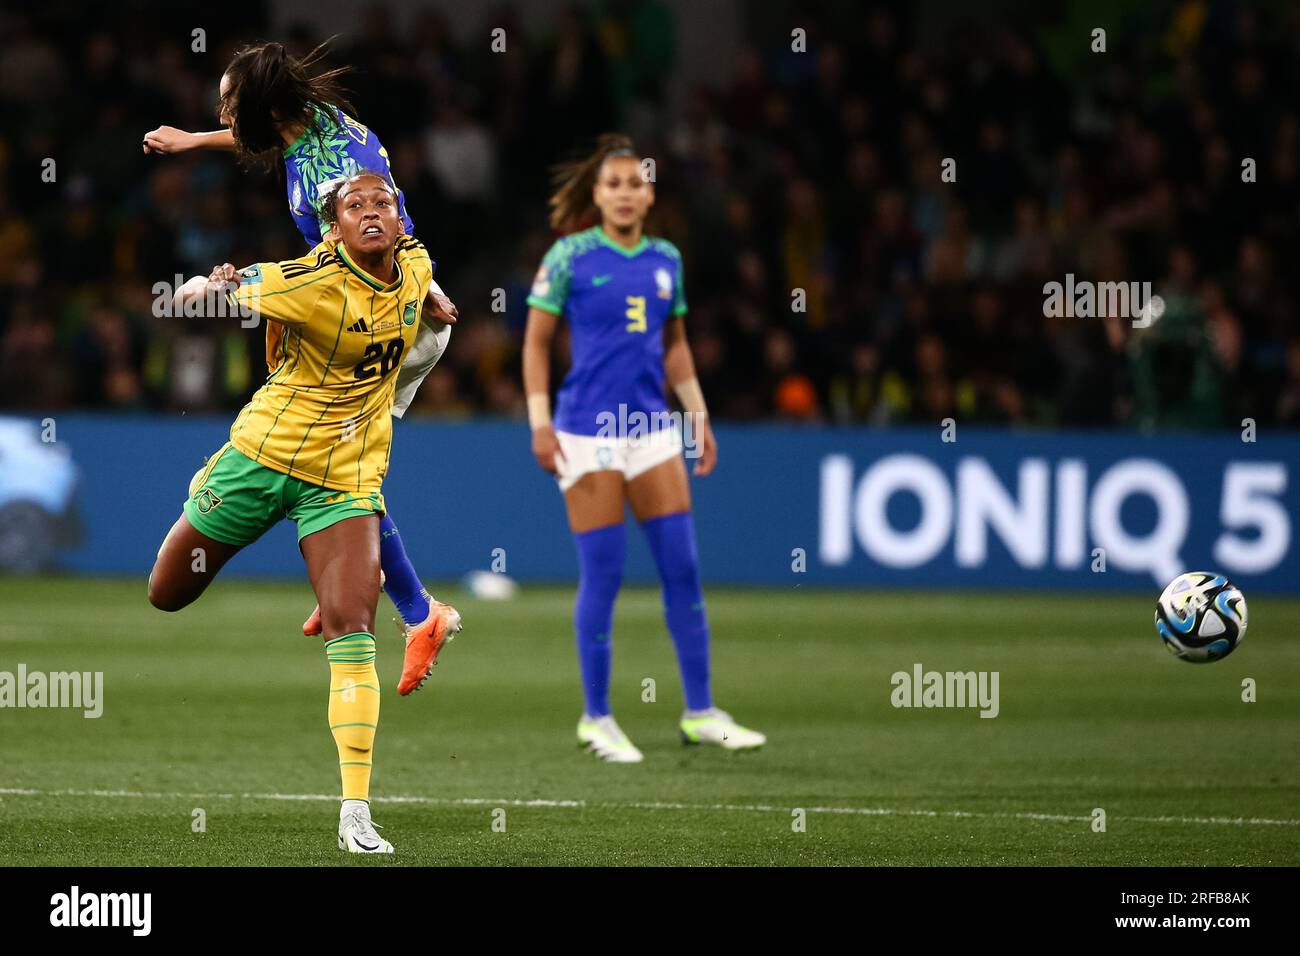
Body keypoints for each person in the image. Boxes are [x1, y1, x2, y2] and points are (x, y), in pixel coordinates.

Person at [143, 40, 459, 691]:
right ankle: (343, 561)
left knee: (325, 462)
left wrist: (422, 287)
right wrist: (197, 140)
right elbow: (271, 146)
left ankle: (420, 611)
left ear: (264, 106)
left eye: (230, 104)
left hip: (392, 322)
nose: (223, 113)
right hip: (378, 309)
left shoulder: (331, 178)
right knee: (321, 457)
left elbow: (377, 236)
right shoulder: (314, 126)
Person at [148, 172, 439, 853]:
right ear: (332, 228)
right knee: (166, 593)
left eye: (382, 204)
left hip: (342, 481)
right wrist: (206, 285)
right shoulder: (304, 280)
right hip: (259, 460)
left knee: (352, 631)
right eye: (353, 207)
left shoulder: (418, 267)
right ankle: (242, 512)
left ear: (400, 219)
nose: (371, 212)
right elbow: (195, 301)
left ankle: (356, 813)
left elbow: (425, 296)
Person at [521, 135, 766, 762]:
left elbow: (676, 345)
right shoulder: (570, 257)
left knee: (682, 570)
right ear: (597, 196)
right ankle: (597, 718)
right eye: (614, 185)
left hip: (655, 431)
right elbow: (535, 344)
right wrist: (540, 423)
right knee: (603, 575)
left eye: (636, 184)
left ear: (650, 193)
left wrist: (698, 417)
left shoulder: (666, 260)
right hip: (587, 434)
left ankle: (701, 711)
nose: (626, 194)